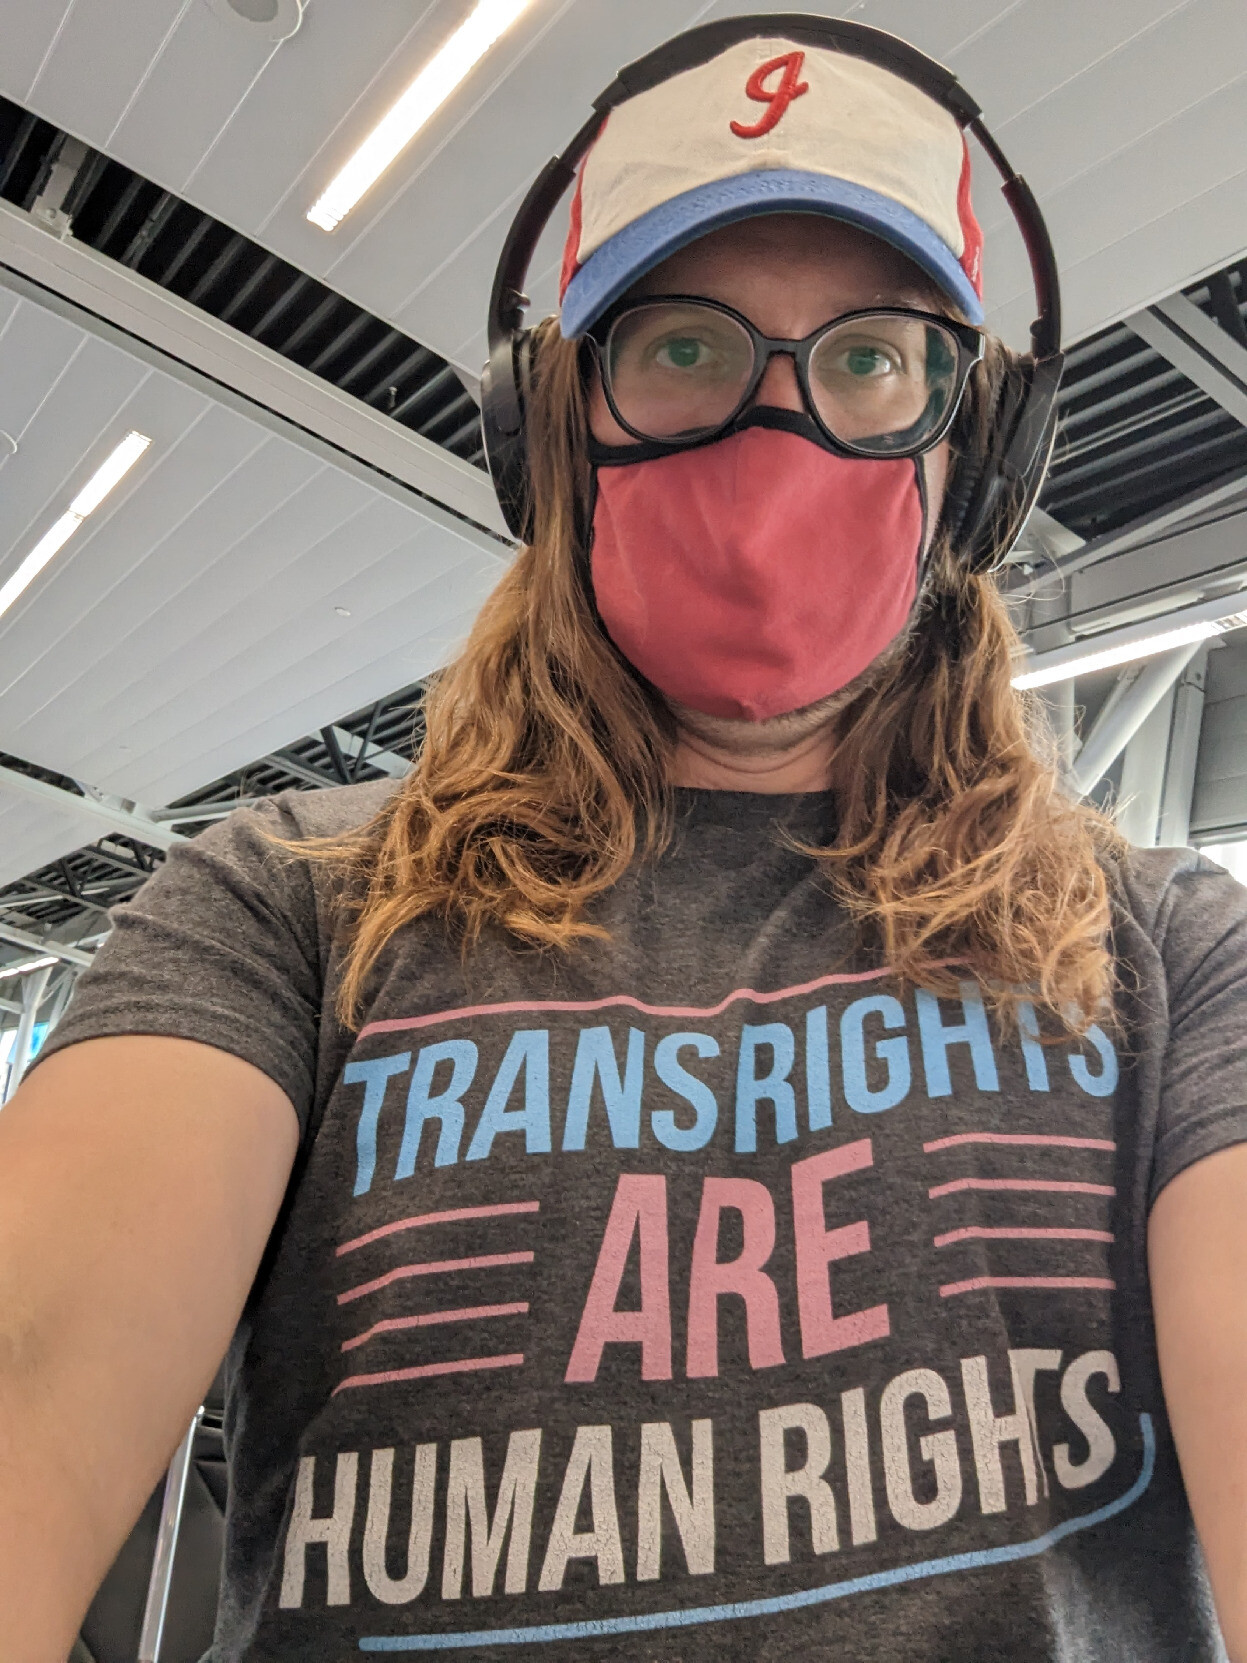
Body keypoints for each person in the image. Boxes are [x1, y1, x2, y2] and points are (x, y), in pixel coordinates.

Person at [1, 17, 1244, 1663]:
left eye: (870, 358)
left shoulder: (1164, 951)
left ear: (977, 456)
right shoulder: (283, 912)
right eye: (685, 349)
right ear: (553, 431)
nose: (780, 432)